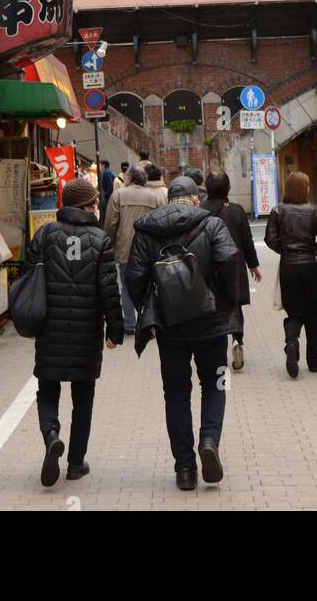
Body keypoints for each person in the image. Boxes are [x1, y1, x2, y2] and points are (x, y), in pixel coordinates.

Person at [126, 176, 241, 491]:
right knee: (216, 385)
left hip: (171, 327)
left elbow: (134, 277)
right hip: (211, 323)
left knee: (176, 394)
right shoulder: (212, 225)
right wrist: (227, 300)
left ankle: (185, 469)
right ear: (194, 199)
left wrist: (152, 306)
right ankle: (209, 440)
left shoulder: (147, 231)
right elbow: (230, 259)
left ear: (169, 200)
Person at [24, 177, 123, 487]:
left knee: (47, 388)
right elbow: (109, 289)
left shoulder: (44, 234)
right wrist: (115, 329)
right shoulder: (99, 238)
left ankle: (51, 435)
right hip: (86, 332)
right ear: (86, 205)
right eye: (94, 201)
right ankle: (76, 463)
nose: (97, 205)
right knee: (83, 399)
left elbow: (28, 278)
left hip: (49, 327)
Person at [264, 171, 317, 377]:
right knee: (313, 311)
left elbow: (269, 239)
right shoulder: (315, 211)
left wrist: (284, 251)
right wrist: (313, 251)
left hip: (288, 267)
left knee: (294, 312)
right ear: (305, 189)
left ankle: (291, 343)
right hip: (310, 266)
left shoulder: (278, 210)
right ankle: (313, 359)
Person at [202, 171, 262, 371]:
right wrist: (253, 265)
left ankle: (215, 350)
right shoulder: (236, 210)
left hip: (208, 266)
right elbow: (246, 242)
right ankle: (237, 340)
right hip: (234, 266)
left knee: (211, 307)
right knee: (234, 306)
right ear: (227, 188)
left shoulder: (200, 210)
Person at [103, 166, 158, 336]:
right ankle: (149, 322)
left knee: (126, 287)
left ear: (130, 178)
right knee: (149, 286)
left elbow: (110, 224)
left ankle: (130, 324)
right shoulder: (154, 197)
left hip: (125, 249)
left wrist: (108, 246)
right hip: (148, 251)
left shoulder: (118, 195)